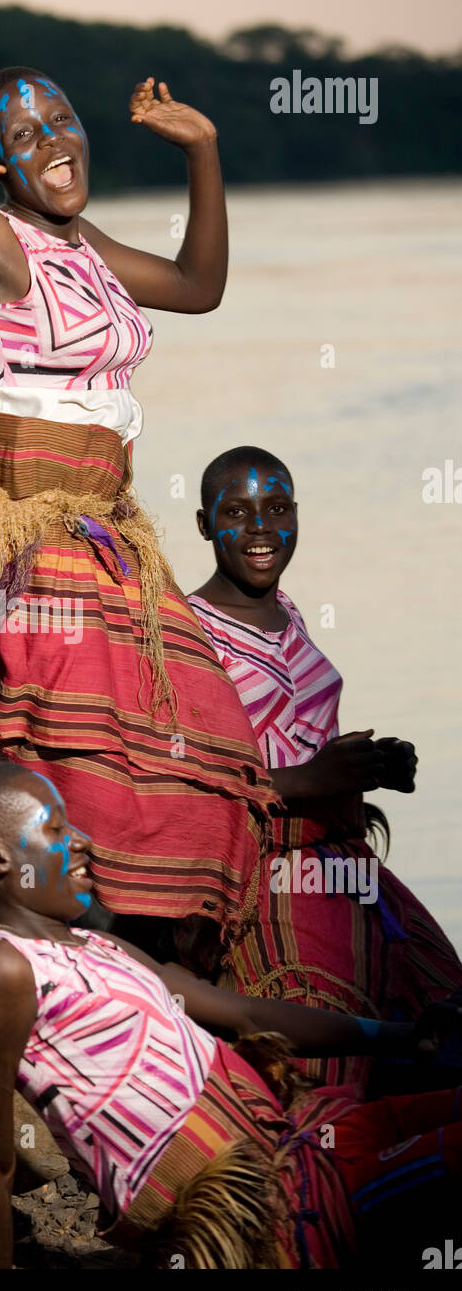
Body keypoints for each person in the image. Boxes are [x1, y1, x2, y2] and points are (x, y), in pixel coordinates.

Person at [0, 66, 276, 974]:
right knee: (73, 756)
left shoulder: (81, 243)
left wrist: (203, 152)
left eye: (62, 117)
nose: (52, 137)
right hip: (30, 540)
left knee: (199, 737)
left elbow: (199, 286)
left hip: (109, 531)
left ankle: (149, 966)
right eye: (24, 130)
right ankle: (48, 970)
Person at [0, 760, 462, 1270]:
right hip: (267, 1212)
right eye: (56, 830)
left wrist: (404, 1036)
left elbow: (247, 1015)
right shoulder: (1, 969)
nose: (83, 841)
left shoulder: (101, 947)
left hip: (300, 1142)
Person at [187, 447, 462, 1090]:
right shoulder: (188, 631)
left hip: (343, 860)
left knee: (440, 1014)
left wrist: (368, 764)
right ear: (204, 524)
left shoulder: (291, 614)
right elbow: (189, 782)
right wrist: (308, 781)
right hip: (267, 872)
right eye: (237, 511)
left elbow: (301, 736)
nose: (261, 528)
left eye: (278, 508)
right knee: (330, 1053)